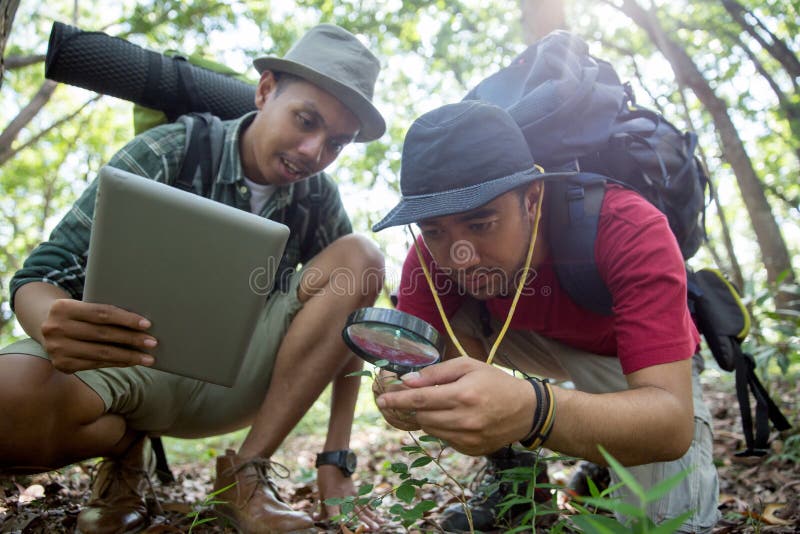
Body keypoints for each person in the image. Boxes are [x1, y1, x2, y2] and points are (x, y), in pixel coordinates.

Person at [0, 24, 385, 533]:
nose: (315, 151)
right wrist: (52, 320)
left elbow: (348, 329)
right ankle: (121, 451)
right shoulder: (168, 151)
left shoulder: (317, 199)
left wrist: (335, 463)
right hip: (122, 362)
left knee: (362, 255)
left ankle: (246, 476)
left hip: (237, 382)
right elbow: (42, 272)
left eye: (337, 142)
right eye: (306, 120)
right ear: (266, 90)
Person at [371, 101, 720, 532]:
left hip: (628, 360)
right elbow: (408, 358)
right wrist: (400, 388)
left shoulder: (626, 226)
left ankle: (600, 460)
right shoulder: (429, 259)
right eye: (435, 230)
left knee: (667, 522)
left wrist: (535, 412)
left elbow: (670, 424)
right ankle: (513, 472)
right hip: (529, 343)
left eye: (480, 224)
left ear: (532, 198)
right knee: (434, 338)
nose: (460, 258)